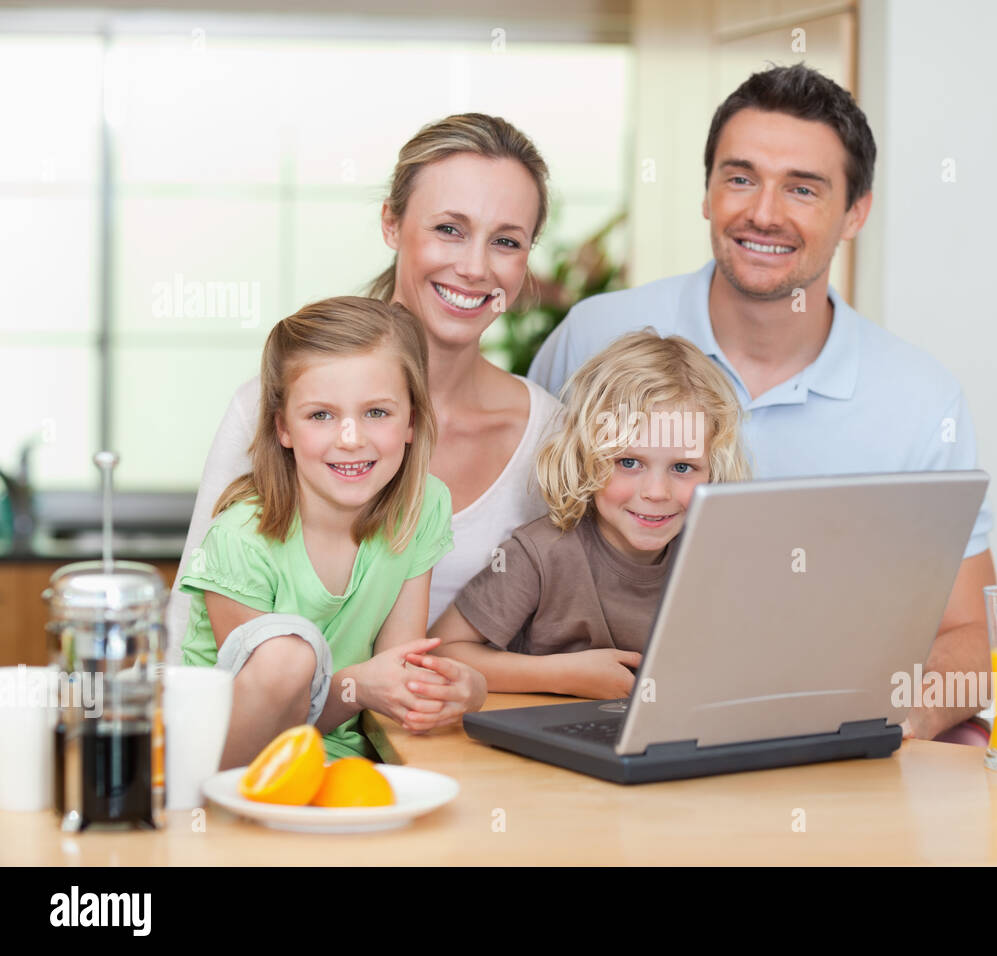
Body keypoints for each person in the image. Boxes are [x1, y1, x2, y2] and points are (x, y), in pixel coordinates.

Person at [528, 64, 997, 745]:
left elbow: (974, 637)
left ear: (855, 213)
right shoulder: (595, 337)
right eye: (740, 178)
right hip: (600, 731)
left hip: (819, 754)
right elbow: (515, 550)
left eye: (802, 189)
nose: (763, 213)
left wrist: (875, 723)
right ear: (707, 192)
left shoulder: (922, 400)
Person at [168, 114, 563, 663]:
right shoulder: (269, 406)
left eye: (506, 241)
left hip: (456, 740)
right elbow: (189, 634)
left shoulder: (551, 435)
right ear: (392, 225)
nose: (474, 267)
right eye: (449, 229)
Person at [179, 297, 486, 769]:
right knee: (288, 655)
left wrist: (469, 688)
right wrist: (358, 687)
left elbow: (398, 670)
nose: (350, 438)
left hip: (351, 760)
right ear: (283, 428)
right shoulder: (240, 539)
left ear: (411, 421)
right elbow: (270, 733)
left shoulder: (422, 507)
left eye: (377, 413)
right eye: (321, 415)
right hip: (227, 767)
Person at [419, 331, 750, 699]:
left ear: (713, 470)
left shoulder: (712, 561)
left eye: (683, 468)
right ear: (586, 457)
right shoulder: (540, 555)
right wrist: (562, 675)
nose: (657, 492)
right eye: (628, 462)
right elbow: (444, 652)